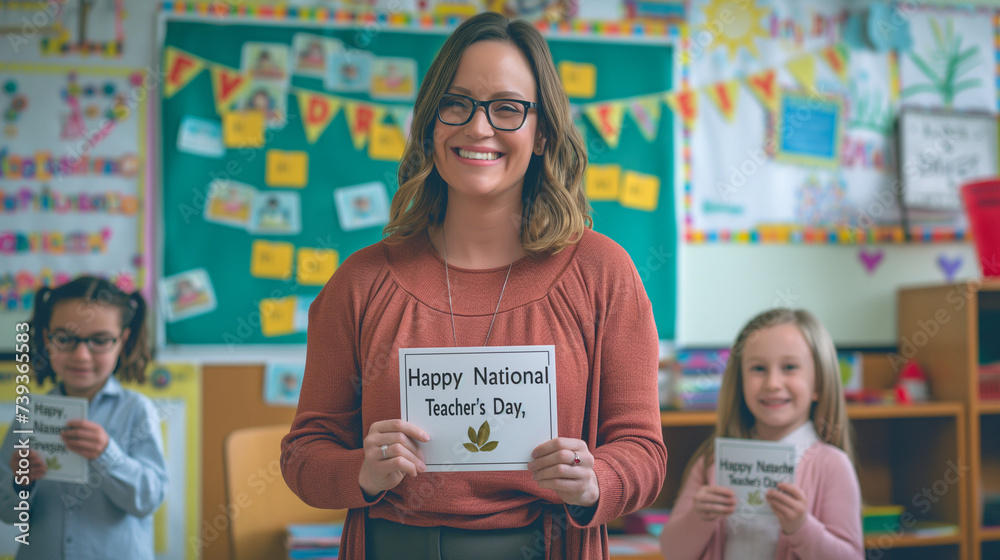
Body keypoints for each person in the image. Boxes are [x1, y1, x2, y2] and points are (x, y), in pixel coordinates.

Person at [281, 11, 666, 560]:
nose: (478, 127)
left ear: (541, 134)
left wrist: (595, 479)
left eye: (507, 108)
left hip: (549, 545)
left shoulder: (602, 273)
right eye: (456, 104)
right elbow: (304, 455)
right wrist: (362, 471)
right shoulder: (360, 283)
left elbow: (644, 451)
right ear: (431, 123)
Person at [659, 309, 863, 560]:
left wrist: (801, 527)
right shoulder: (711, 463)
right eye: (758, 368)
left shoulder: (832, 466)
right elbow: (672, 552)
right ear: (740, 381)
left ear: (818, 384)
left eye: (789, 367)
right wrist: (699, 518)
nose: (773, 383)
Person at [0, 277, 168, 560]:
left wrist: (108, 455)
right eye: (65, 338)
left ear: (122, 341)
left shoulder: (137, 410)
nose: (81, 355)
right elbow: (7, 513)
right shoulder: (29, 413)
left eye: (100, 340)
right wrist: (21, 484)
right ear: (46, 338)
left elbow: (148, 499)